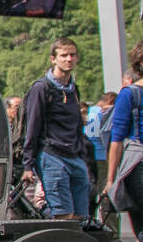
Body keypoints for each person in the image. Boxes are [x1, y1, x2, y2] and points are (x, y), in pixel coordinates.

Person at [21, 38, 93, 221]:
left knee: (79, 215)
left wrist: (83, 158)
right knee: (63, 214)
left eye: (73, 55)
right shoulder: (42, 88)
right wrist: (28, 164)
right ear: (53, 59)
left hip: (75, 156)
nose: (69, 59)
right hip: (52, 155)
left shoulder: (73, 88)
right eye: (64, 55)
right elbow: (33, 127)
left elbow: (78, 125)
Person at [105, 41, 143, 242]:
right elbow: (116, 139)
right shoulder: (130, 94)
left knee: (142, 229)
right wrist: (110, 180)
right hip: (139, 166)